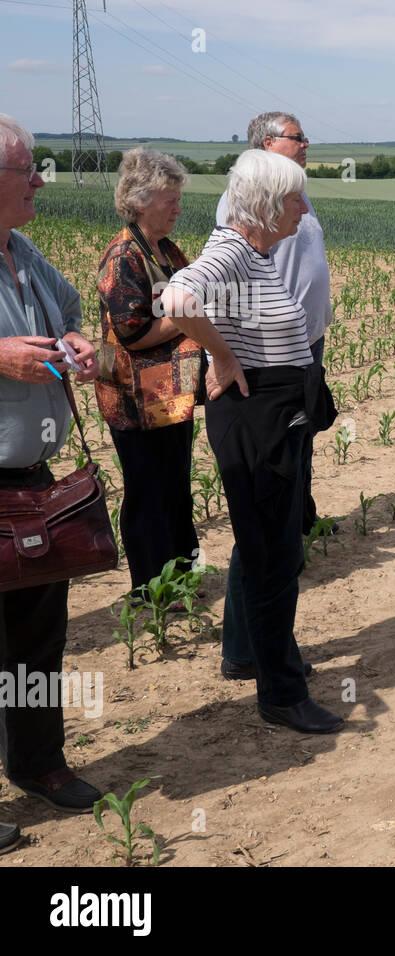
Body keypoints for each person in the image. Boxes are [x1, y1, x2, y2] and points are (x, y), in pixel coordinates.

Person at [161, 148, 341, 734]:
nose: (302, 210)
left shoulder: (256, 254)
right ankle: (280, 695)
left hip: (272, 417)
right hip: (256, 423)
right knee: (270, 556)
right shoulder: (232, 250)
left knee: (279, 552)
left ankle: (275, 666)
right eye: (295, 200)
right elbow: (178, 298)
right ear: (265, 205)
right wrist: (220, 352)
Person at [0, 114, 102, 846]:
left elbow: (67, 309)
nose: (41, 179)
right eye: (27, 168)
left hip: (30, 478)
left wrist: (76, 340)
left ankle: (40, 763)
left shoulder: (23, 251)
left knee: (37, 637)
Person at [213, 112, 332, 682]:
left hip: (293, 368)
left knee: (284, 522)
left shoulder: (286, 198)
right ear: (266, 146)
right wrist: (223, 352)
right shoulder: (248, 221)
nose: (306, 144)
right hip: (262, 386)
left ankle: (265, 650)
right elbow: (186, 298)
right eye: (296, 137)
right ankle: (251, 654)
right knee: (265, 530)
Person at [94, 148, 202, 594]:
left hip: (168, 397)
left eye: (178, 198)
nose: (178, 207)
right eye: (169, 199)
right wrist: (187, 314)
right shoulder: (124, 257)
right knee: (148, 493)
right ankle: (151, 589)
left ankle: (182, 578)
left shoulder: (163, 248)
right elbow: (132, 333)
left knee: (174, 486)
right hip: (135, 399)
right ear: (140, 201)